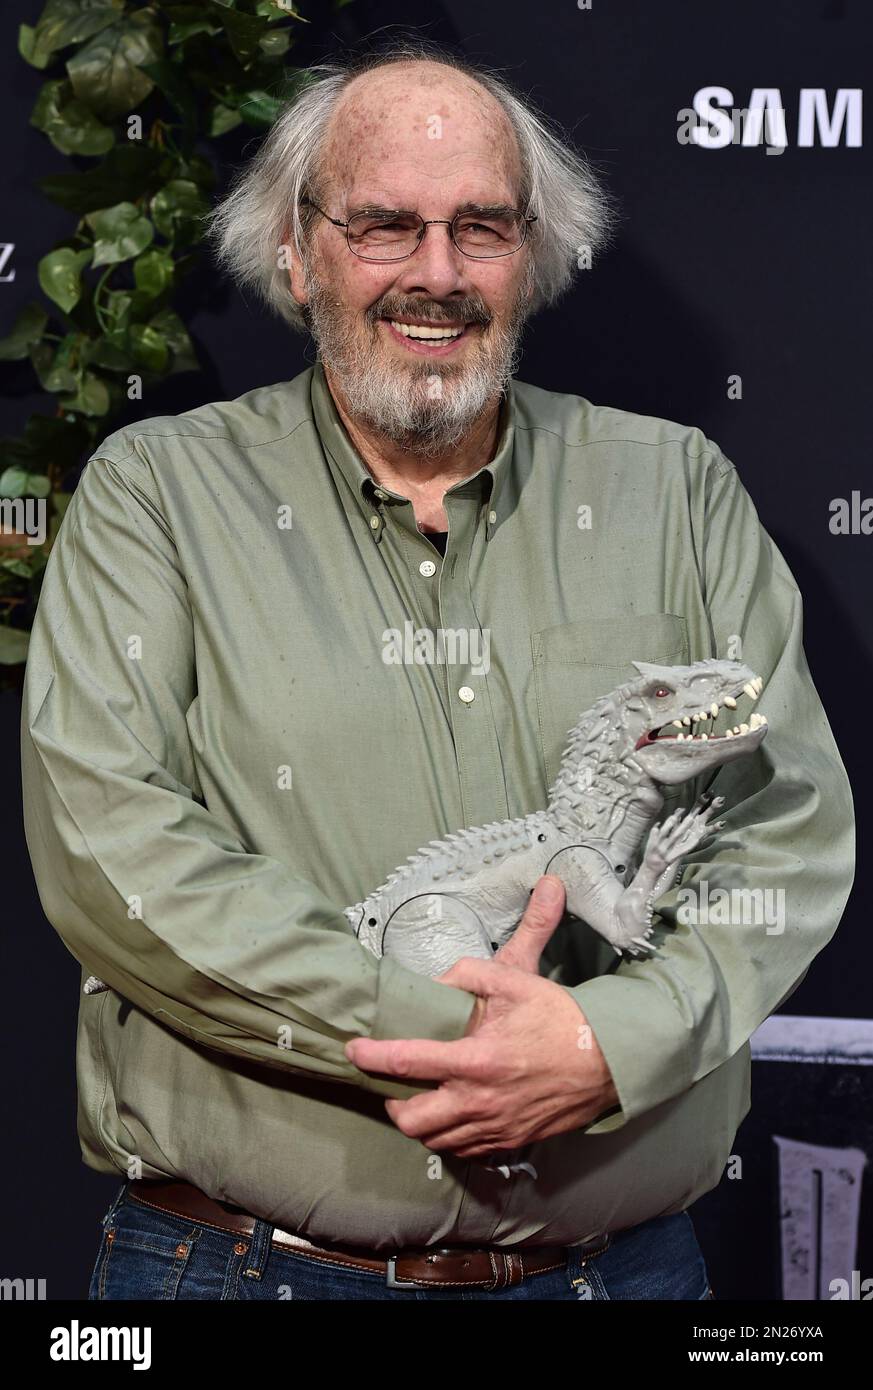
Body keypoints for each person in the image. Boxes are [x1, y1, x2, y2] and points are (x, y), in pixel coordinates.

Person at [21, 38, 854, 1302]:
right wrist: (471, 1040)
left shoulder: (674, 489)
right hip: (243, 1272)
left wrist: (603, 1041)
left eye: (481, 228)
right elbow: (116, 853)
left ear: (535, 255)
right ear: (298, 252)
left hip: (620, 1276)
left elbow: (785, 825)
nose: (436, 274)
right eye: (384, 226)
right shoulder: (158, 497)